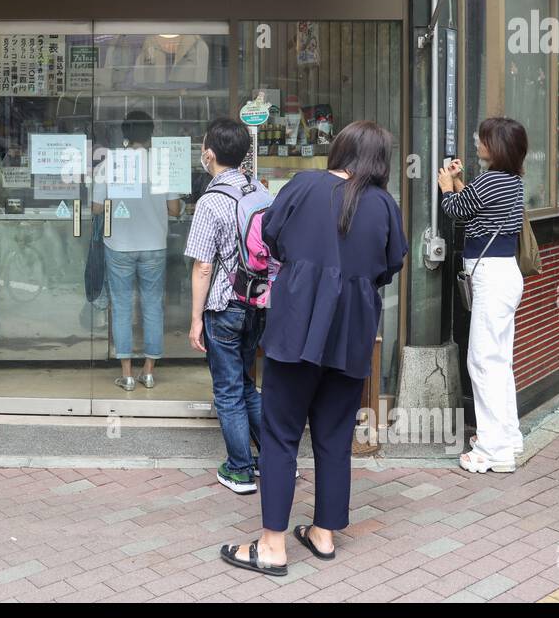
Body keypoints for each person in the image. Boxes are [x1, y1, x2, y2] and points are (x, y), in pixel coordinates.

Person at [220, 121, 406, 576]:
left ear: (340, 149)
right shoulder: (384, 204)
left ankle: (272, 546)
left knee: (282, 436)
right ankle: (323, 534)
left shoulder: (304, 185)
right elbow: (391, 263)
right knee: (334, 435)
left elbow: (269, 236)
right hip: (353, 333)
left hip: (298, 327)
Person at [437, 116, 528, 473]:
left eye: (483, 138)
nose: (478, 141)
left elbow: (457, 211)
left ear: (497, 147)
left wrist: (447, 186)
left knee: (482, 361)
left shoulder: (491, 179)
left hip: (491, 276)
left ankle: (494, 451)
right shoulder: (512, 180)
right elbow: (477, 205)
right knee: (499, 361)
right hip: (506, 274)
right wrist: (460, 183)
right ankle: (509, 435)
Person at [185, 118, 265, 494]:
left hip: (225, 304)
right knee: (247, 383)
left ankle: (239, 469)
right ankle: (272, 460)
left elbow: (203, 266)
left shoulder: (211, 201)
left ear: (210, 154)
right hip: (259, 301)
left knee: (229, 389)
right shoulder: (261, 191)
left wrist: (195, 319)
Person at [91, 112, 183, 391]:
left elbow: (96, 208)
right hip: (154, 245)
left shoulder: (110, 163)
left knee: (121, 307)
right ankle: (149, 372)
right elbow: (175, 209)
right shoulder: (162, 165)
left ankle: (127, 374)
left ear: (125, 133)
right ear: (151, 134)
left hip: (118, 245)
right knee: (153, 305)